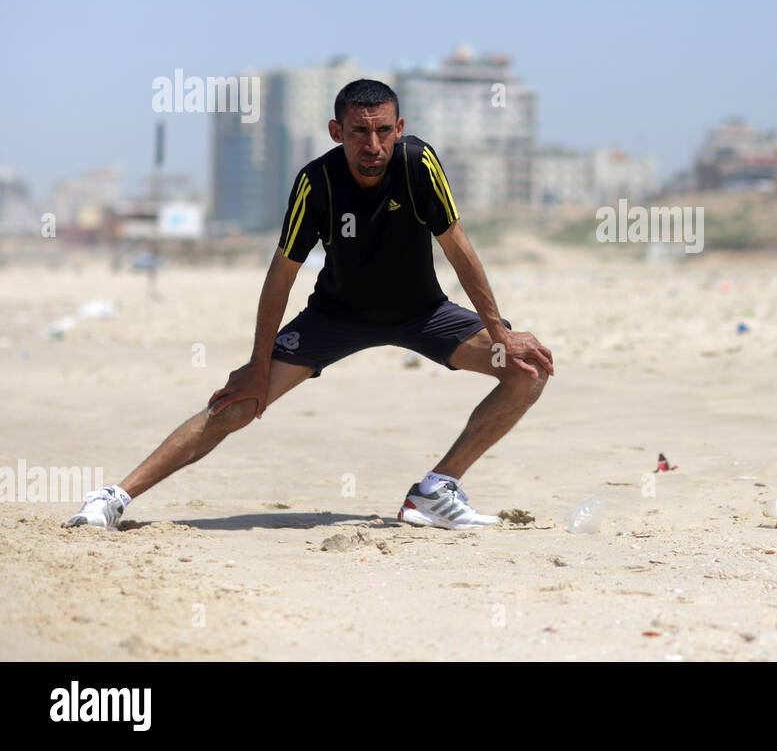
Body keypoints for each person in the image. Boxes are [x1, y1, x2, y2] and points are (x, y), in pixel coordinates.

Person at [66, 79, 553, 532]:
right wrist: (258, 365)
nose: (373, 145)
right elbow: (281, 275)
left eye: (384, 130)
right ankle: (113, 498)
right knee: (238, 405)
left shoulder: (417, 164)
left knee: (527, 369)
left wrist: (501, 332)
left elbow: (458, 246)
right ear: (336, 131)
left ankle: (435, 489)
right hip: (334, 318)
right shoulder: (316, 182)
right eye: (359, 132)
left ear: (399, 129)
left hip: (422, 314)